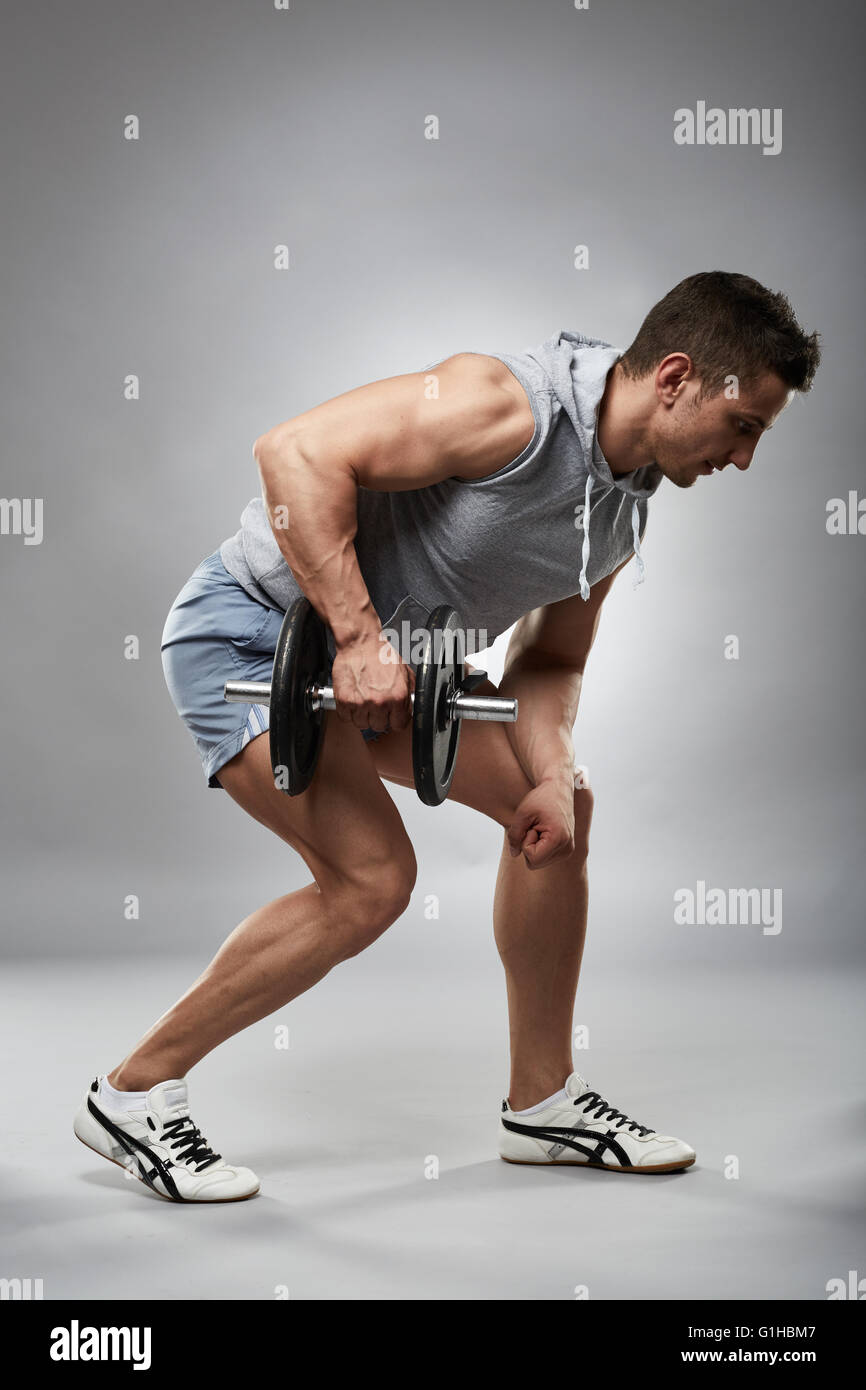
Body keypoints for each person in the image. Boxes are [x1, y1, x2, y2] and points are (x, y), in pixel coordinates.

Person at [74, 270, 820, 1202]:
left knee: (560, 811)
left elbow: (548, 665)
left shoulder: (624, 506)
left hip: (398, 673)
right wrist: (356, 635)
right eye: (744, 426)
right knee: (373, 882)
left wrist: (550, 770)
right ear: (675, 378)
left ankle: (541, 1105)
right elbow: (294, 454)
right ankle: (132, 1093)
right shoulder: (506, 405)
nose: (744, 459)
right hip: (251, 631)